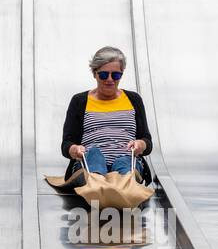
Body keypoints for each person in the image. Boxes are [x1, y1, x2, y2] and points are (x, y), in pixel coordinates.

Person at [60, 46, 153, 184]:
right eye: (103, 75)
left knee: (125, 161)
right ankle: (97, 181)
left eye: (116, 75)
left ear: (122, 74)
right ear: (94, 73)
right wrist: (75, 150)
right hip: (91, 159)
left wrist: (140, 144)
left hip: (126, 157)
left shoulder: (133, 99)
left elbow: (147, 141)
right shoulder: (79, 101)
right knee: (94, 154)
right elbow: (67, 144)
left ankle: (125, 181)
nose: (110, 79)